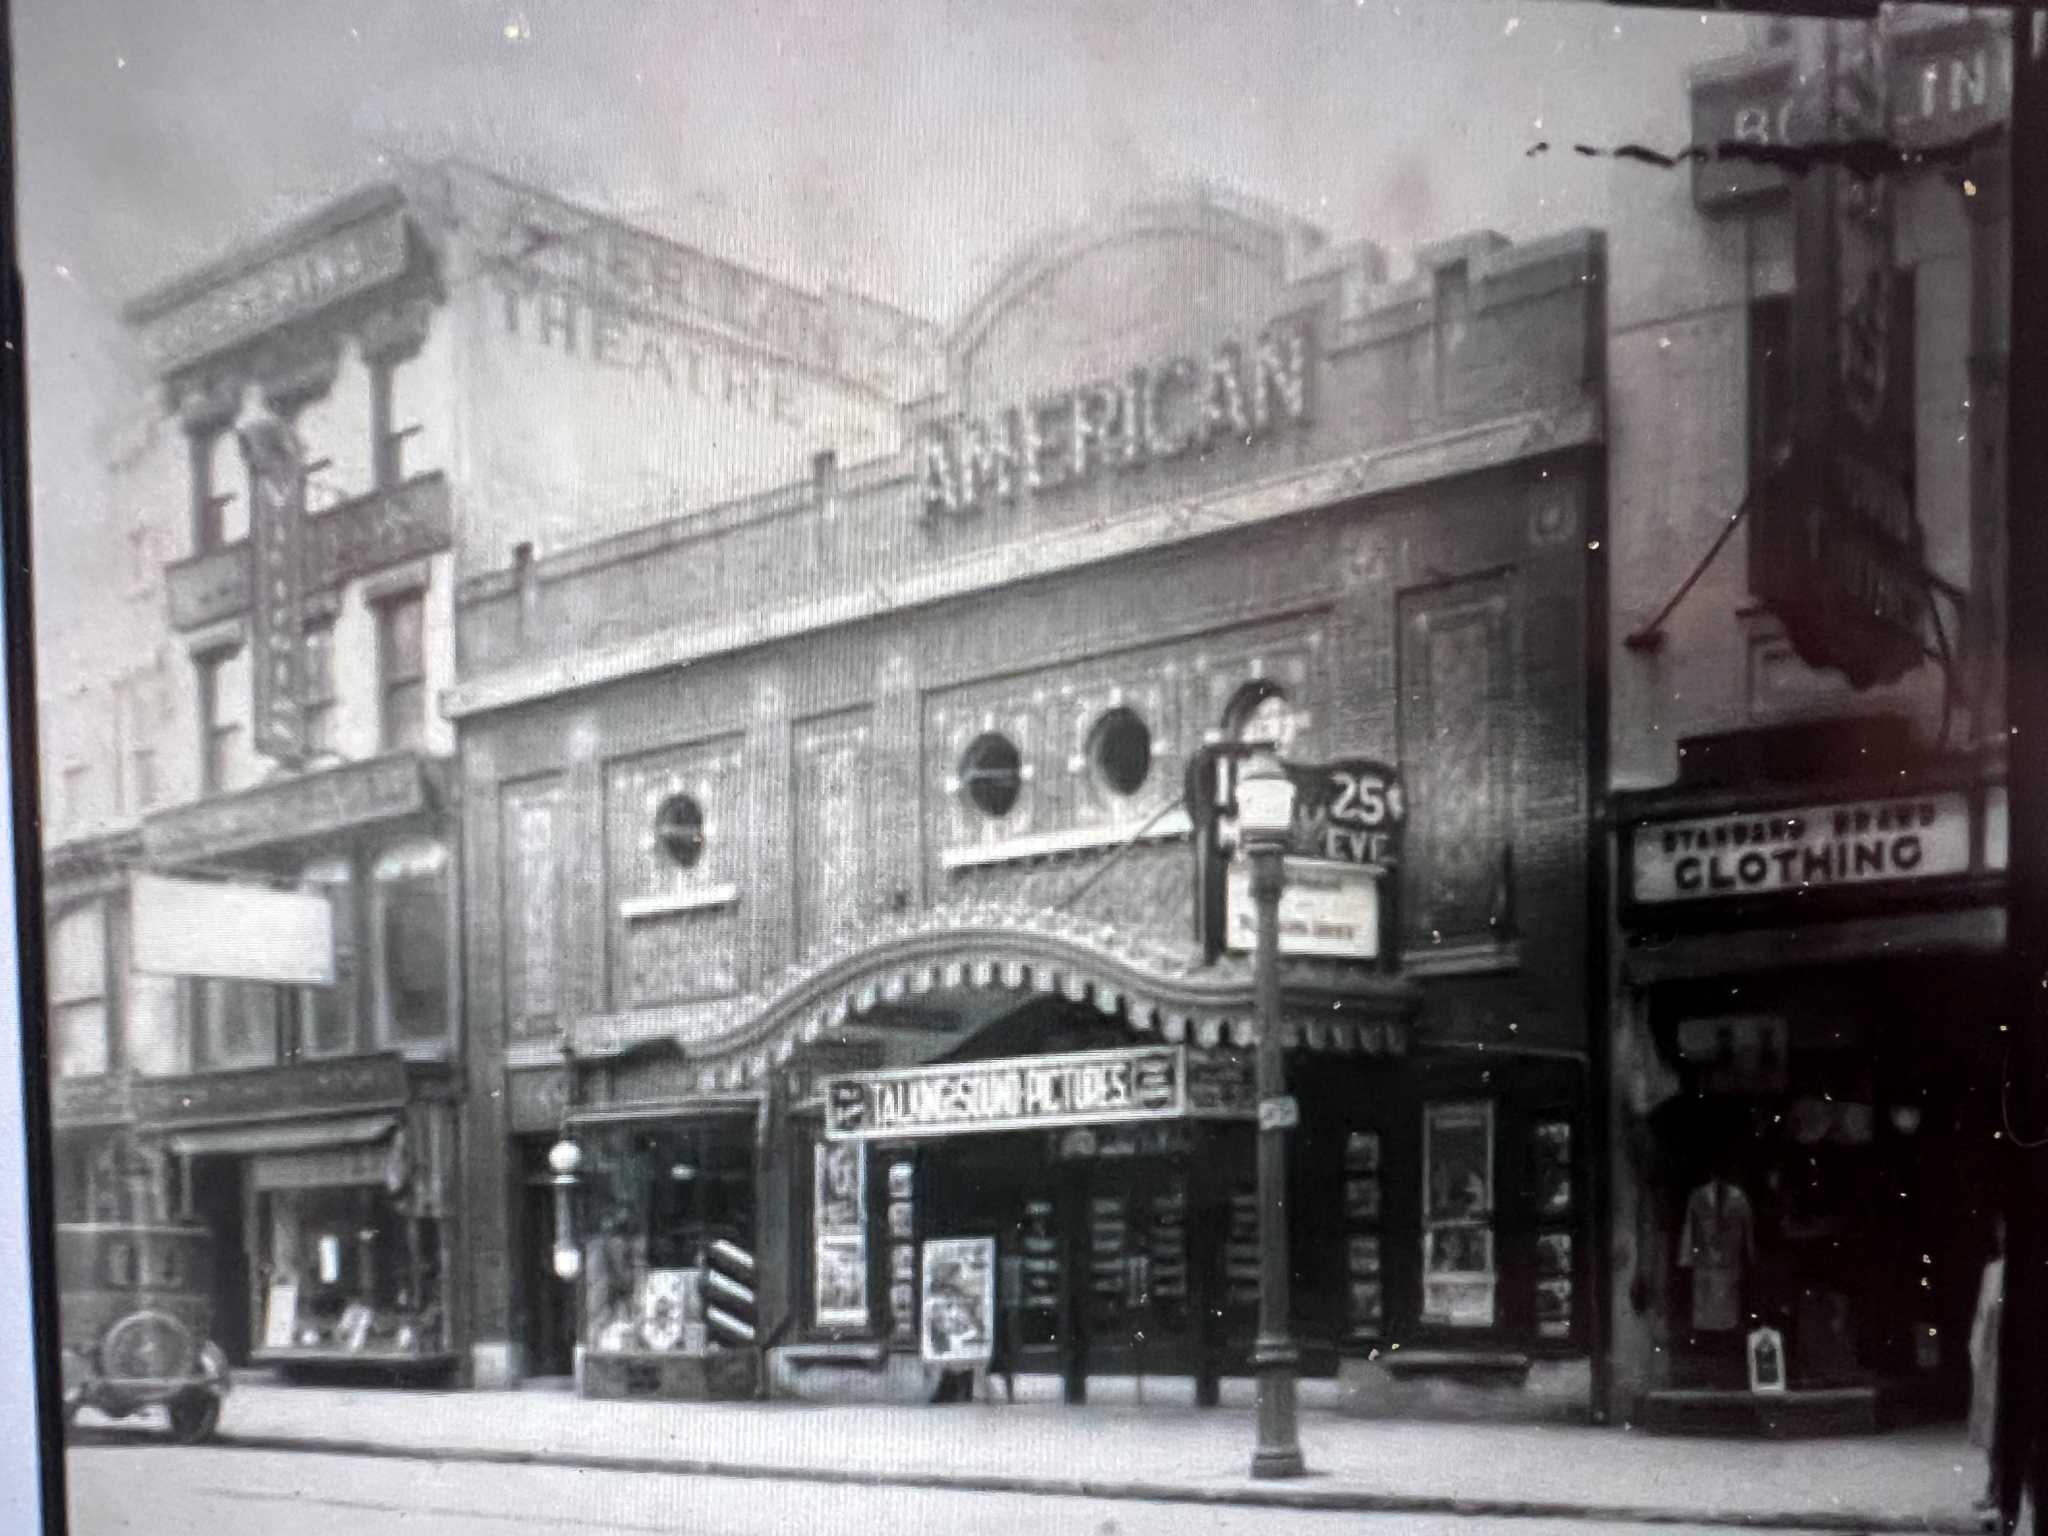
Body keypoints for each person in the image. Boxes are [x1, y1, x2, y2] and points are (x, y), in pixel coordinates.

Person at [1969, 1216, 2005, 1513]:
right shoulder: (1992, 1271)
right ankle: (1996, 1489)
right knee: (1993, 1428)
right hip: (1995, 1360)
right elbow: (1983, 1315)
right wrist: (1977, 1353)